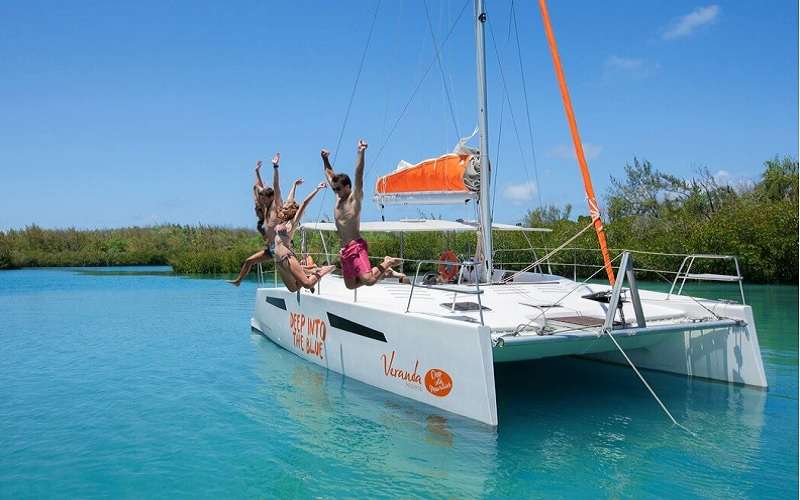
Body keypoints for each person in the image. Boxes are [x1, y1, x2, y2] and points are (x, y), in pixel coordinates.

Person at [321, 140, 406, 289]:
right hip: (345, 250)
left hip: (356, 247)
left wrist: (361, 152)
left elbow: (358, 175)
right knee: (350, 285)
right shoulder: (338, 198)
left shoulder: (354, 199)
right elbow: (329, 175)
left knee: (369, 280)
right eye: (334, 189)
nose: (335, 192)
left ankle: (387, 263)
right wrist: (325, 159)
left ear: (347, 187)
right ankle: (383, 271)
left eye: (338, 189)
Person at [227, 153, 283, 286]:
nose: (262, 200)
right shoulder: (265, 209)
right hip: (270, 249)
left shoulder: (276, 206)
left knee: (291, 272)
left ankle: (309, 279)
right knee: (248, 261)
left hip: (281, 247)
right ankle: (238, 281)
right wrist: (257, 172)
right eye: (261, 197)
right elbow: (259, 186)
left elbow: (276, 186)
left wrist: (275, 167)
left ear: (271, 198)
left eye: (264, 198)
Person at [273, 180, 336, 292]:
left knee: (307, 284)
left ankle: (324, 270)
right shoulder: (281, 220)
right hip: (278, 260)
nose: (283, 209)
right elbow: (289, 200)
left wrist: (317, 189)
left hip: (287, 257)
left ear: (292, 211)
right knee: (294, 288)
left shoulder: (292, 223)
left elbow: (304, 203)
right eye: (283, 208)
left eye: (286, 208)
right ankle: (311, 271)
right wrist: (294, 186)